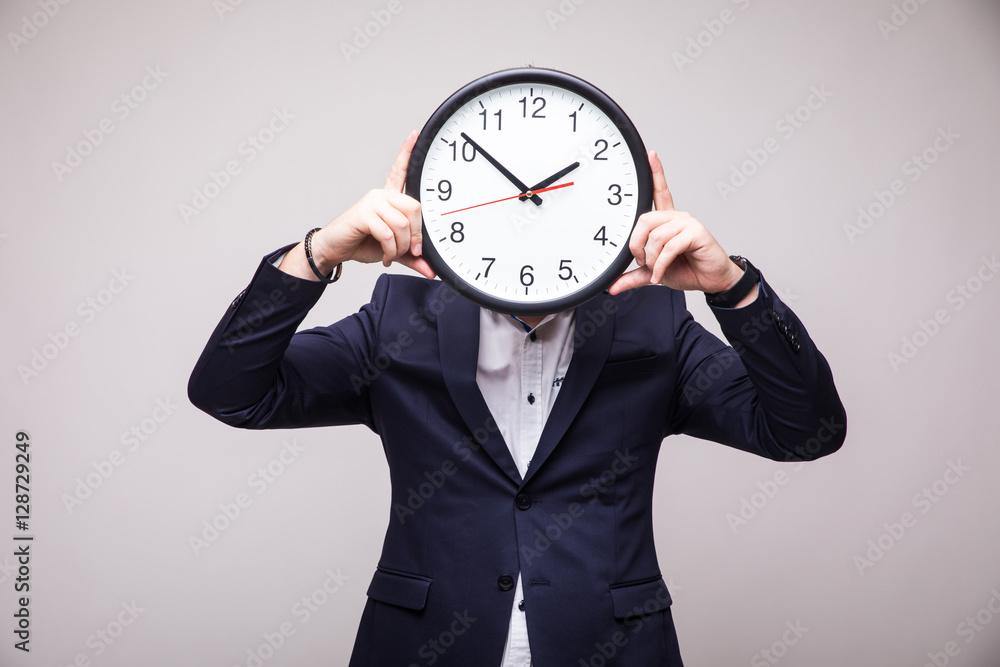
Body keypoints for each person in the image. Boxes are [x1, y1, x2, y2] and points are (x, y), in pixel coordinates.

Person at [188, 131, 846, 666]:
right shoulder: (396, 320)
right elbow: (229, 390)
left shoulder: (655, 324)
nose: (527, 217)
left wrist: (730, 286)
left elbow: (806, 431)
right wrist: (317, 253)